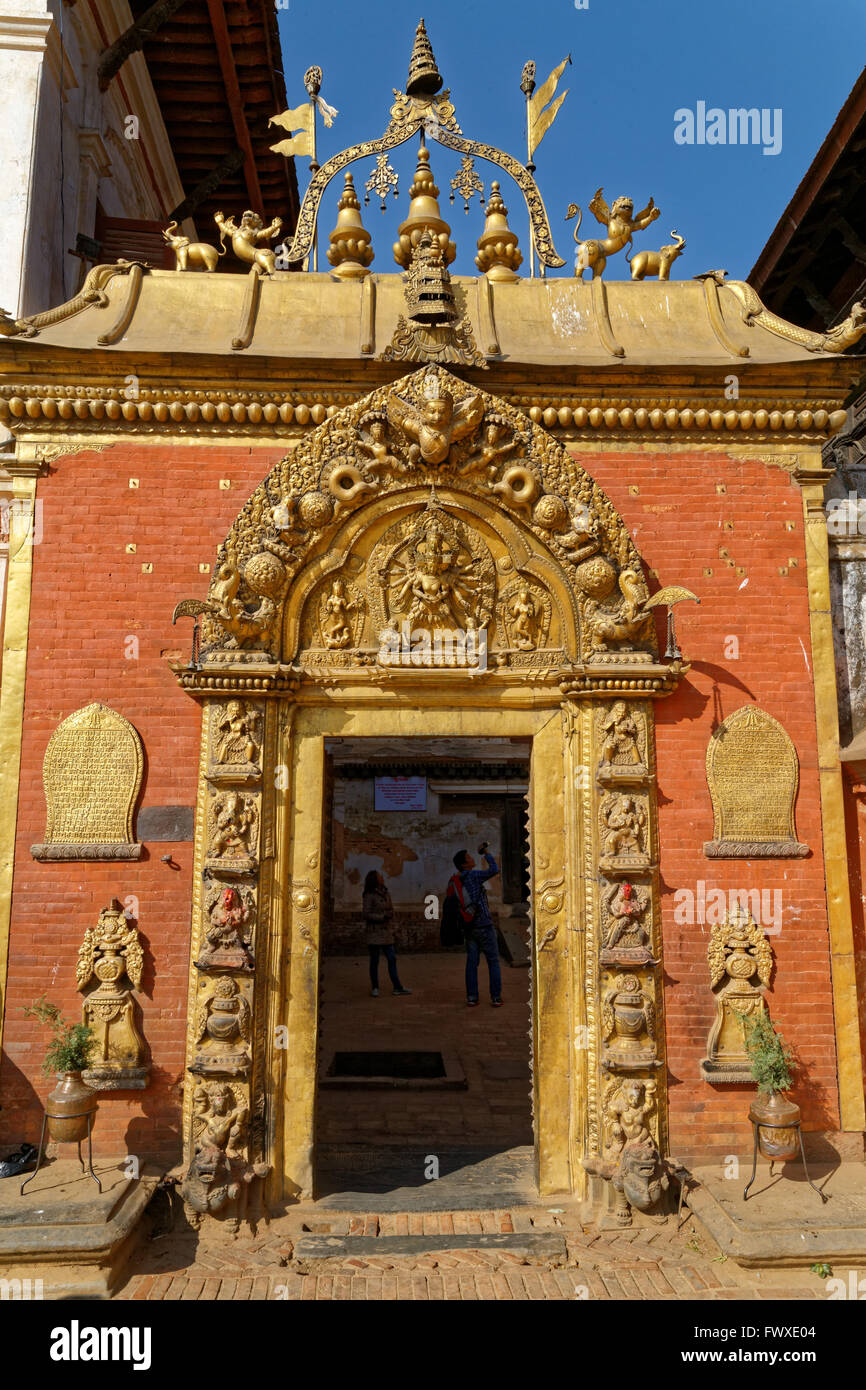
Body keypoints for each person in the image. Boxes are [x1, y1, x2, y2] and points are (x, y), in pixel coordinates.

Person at [453, 843, 503, 1007]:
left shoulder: (459, 880)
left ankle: (472, 997)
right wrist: (486, 852)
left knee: (472, 963)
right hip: (484, 925)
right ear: (464, 864)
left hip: (469, 926)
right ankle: (495, 997)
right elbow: (494, 869)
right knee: (493, 961)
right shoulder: (473, 876)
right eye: (469, 857)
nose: (472, 858)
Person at [362, 869, 411, 998]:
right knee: (375, 960)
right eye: (379, 876)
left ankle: (397, 986)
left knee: (392, 958)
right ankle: (375, 987)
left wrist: (390, 914)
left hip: (386, 932)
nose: (382, 877)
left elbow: (390, 908)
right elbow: (366, 914)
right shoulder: (369, 895)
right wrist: (382, 916)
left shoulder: (386, 892)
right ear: (375, 879)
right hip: (374, 932)